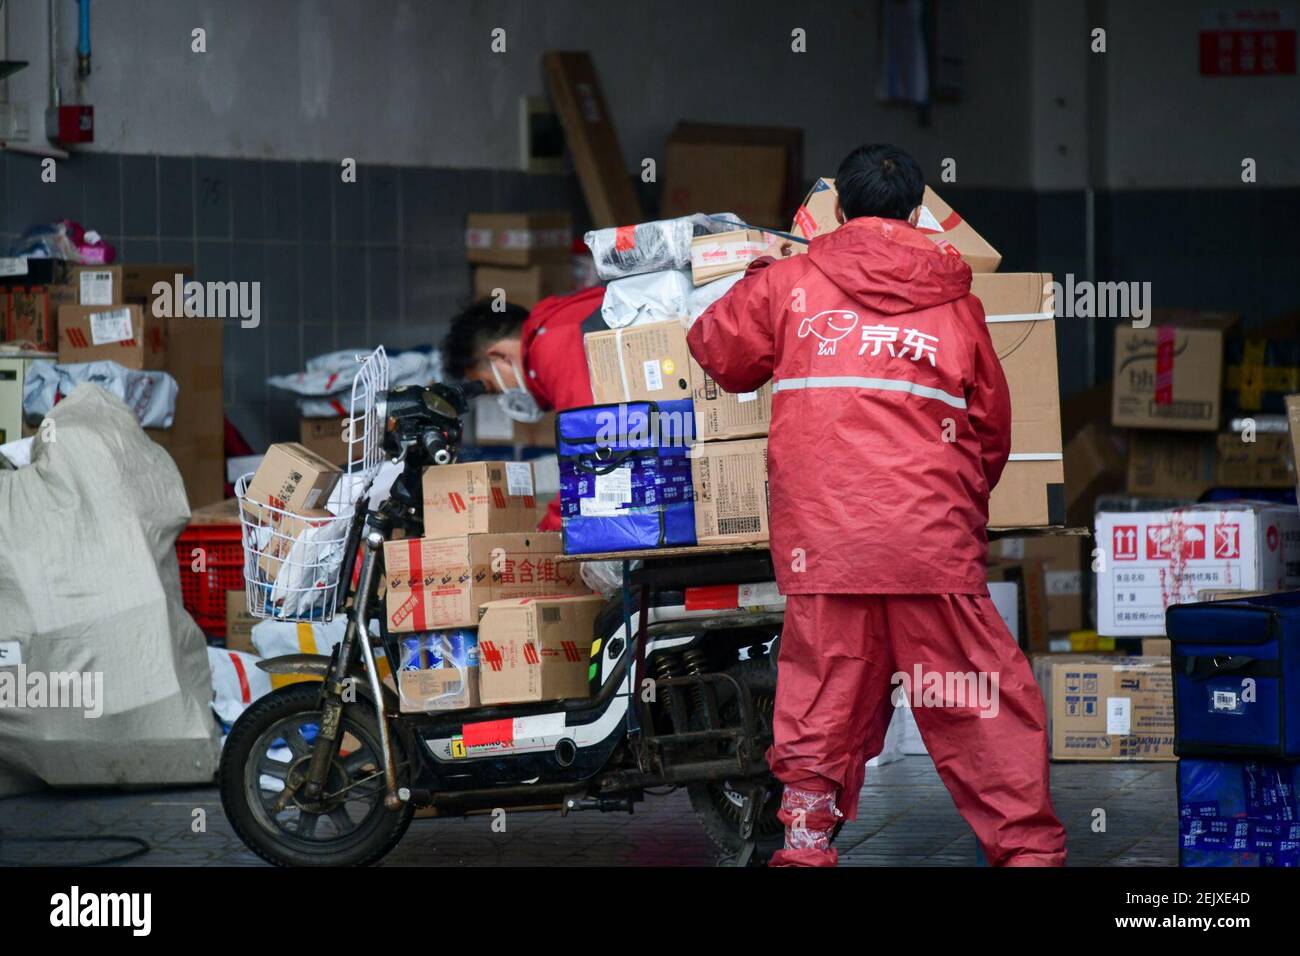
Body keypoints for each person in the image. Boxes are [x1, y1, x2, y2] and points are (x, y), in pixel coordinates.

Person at [686, 144, 1067, 867]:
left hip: (825, 545)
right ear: (918, 210)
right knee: (981, 702)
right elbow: (991, 431)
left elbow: (715, 349)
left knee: (824, 698)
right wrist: (950, 514)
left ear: (838, 208)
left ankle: (804, 846)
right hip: (931, 546)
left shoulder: (792, 285)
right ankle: (1029, 857)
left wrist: (760, 277)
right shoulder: (958, 305)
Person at [440, 285, 604, 531]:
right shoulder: (558, 319)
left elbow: (592, 457)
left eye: (493, 388)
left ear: (500, 358)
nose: (502, 400)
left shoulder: (552, 346)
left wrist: (546, 536)